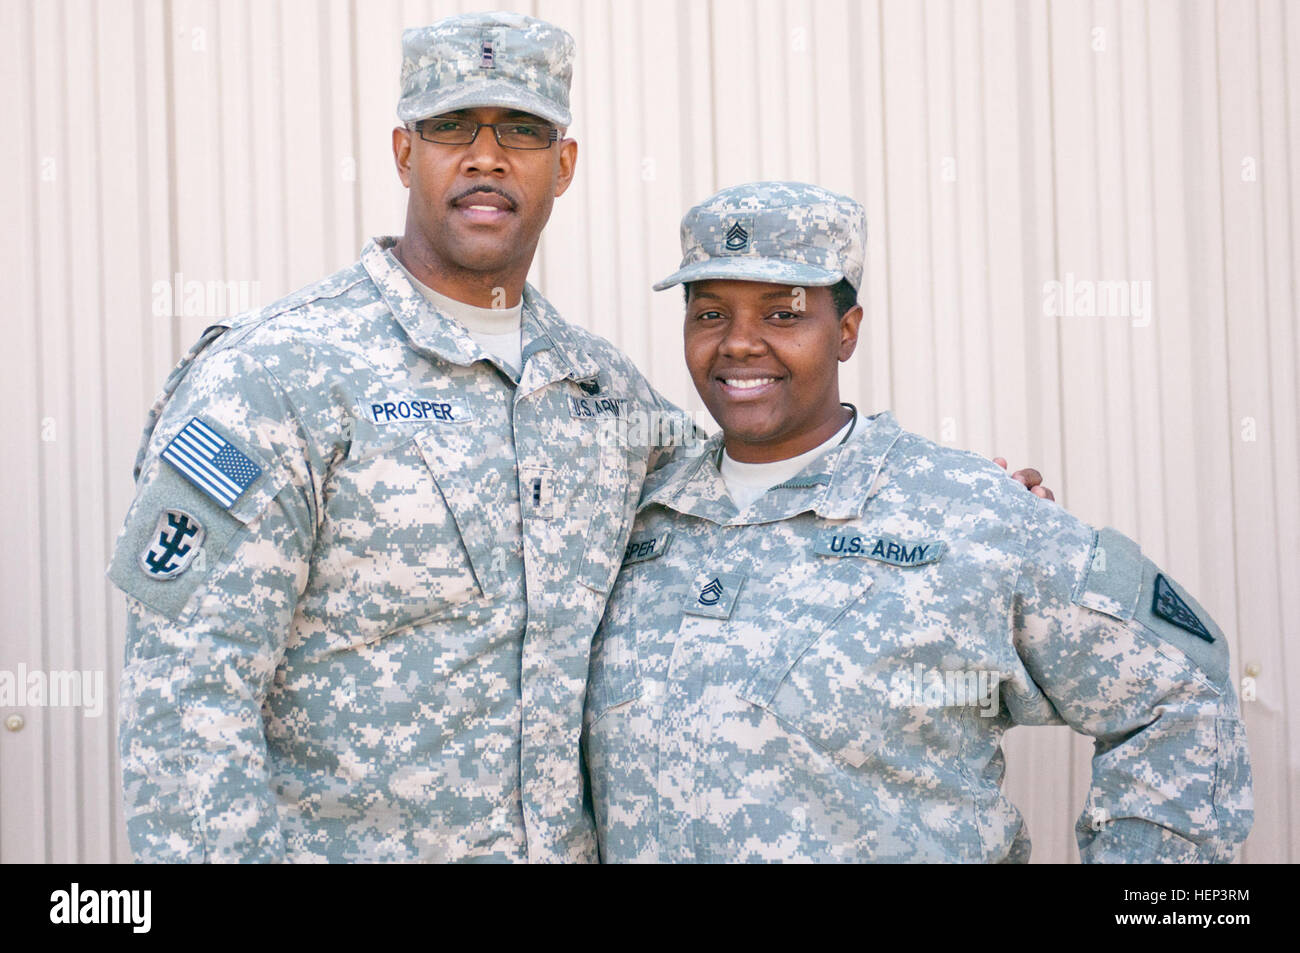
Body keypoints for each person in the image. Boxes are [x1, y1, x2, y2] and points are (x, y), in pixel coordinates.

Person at [107, 13, 1049, 863]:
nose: (485, 158)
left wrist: (958, 503)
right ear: (404, 152)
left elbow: (760, 485)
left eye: (520, 131)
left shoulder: (600, 395)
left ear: (563, 164)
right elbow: (185, 707)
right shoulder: (277, 377)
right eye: (452, 129)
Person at [582, 181, 1253, 863]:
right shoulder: (637, 519)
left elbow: (1180, 687)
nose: (740, 344)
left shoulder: (964, 510)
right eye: (711, 314)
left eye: (783, 316)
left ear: (845, 330)